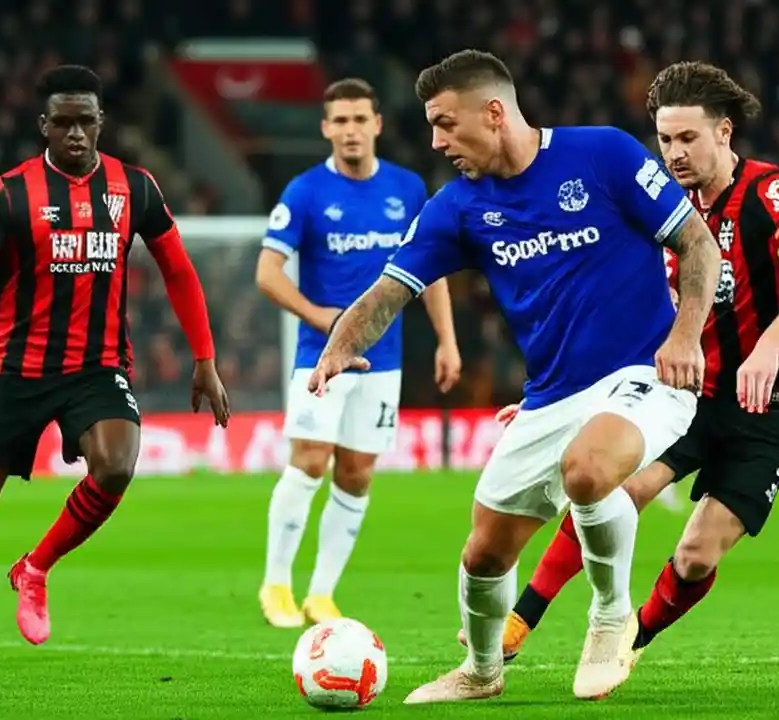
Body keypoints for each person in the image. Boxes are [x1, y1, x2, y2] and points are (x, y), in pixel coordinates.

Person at [307, 49, 720, 703]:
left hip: (647, 371)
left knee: (588, 470)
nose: (438, 141)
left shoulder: (605, 157)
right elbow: (391, 289)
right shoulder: (459, 207)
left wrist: (685, 334)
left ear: (494, 112)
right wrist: (338, 347)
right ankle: (481, 671)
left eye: (446, 124)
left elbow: (699, 242)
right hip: (550, 396)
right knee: (483, 555)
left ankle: (612, 617)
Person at [463, 60, 779, 675]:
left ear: (724, 132)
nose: (675, 152)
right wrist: (562, 400)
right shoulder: (662, 208)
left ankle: (629, 639)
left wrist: (769, 349)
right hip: (690, 393)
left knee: (694, 555)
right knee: (614, 486)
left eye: (688, 138)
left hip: (771, 408)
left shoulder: (772, 193)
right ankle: (521, 618)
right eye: (665, 139)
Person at [0, 65, 231, 674]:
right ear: (44, 125)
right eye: (61, 122)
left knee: (116, 467)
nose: (74, 133)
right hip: (16, 370)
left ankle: (34, 567)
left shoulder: (135, 187)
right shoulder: (9, 192)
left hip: (96, 368)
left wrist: (205, 359)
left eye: (84, 121)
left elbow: (178, 270)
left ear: (100, 124)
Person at [256, 78, 462, 627]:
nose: (350, 130)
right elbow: (267, 273)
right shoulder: (304, 192)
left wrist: (446, 338)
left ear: (377, 124)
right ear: (326, 128)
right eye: (339, 121)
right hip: (319, 357)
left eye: (358, 119)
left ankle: (320, 593)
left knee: (356, 472)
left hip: (384, 357)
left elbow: (430, 267)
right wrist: (321, 317)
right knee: (308, 462)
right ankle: (276, 584)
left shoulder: (407, 189)